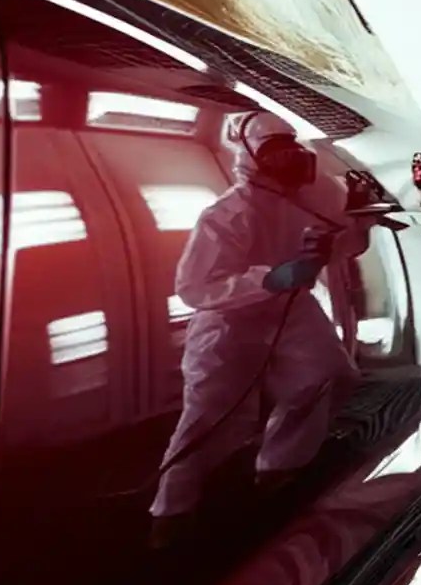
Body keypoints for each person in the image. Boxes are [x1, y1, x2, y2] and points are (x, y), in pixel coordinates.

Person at [150, 111, 370, 543]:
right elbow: (195, 287)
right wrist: (268, 279)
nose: (288, 158)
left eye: (291, 148)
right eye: (275, 150)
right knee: (210, 414)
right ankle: (170, 512)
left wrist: (361, 220)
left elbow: (343, 243)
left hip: (290, 308)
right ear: (251, 155)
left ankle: (280, 468)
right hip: (229, 319)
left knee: (328, 374)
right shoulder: (226, 214)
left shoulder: (313, 199)